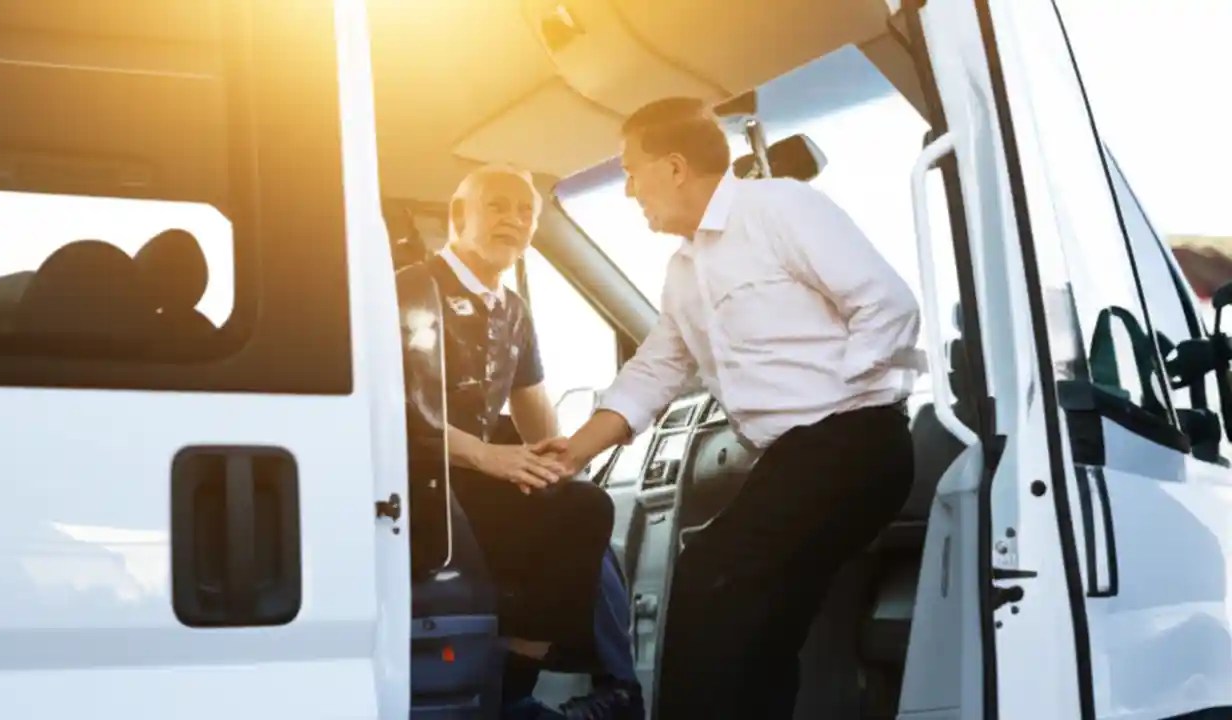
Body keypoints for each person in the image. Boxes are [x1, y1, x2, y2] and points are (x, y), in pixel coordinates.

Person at [536, 97, 922, 719]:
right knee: (759, 621)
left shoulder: (779, 208)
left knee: (716, 577)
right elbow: (656, 368)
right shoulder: (684, 270)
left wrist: (839, 395)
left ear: (676, 166)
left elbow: (888, 305)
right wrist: (572, 452)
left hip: (853, 443)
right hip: (800, 455)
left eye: (634, 170)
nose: (631, 189)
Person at [395, 163, 643, 719]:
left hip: (476, 474)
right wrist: (491, 458)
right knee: (582, 514)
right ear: (459, 217)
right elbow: (400, 411)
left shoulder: (512, 309)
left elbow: (532, 405)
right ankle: (528, 695)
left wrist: (560, 460)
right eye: (497, 207)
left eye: (525, 212)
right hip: (421, 476)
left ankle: (533, 679)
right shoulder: (415, 287)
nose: (514, 219)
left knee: (581, 510)